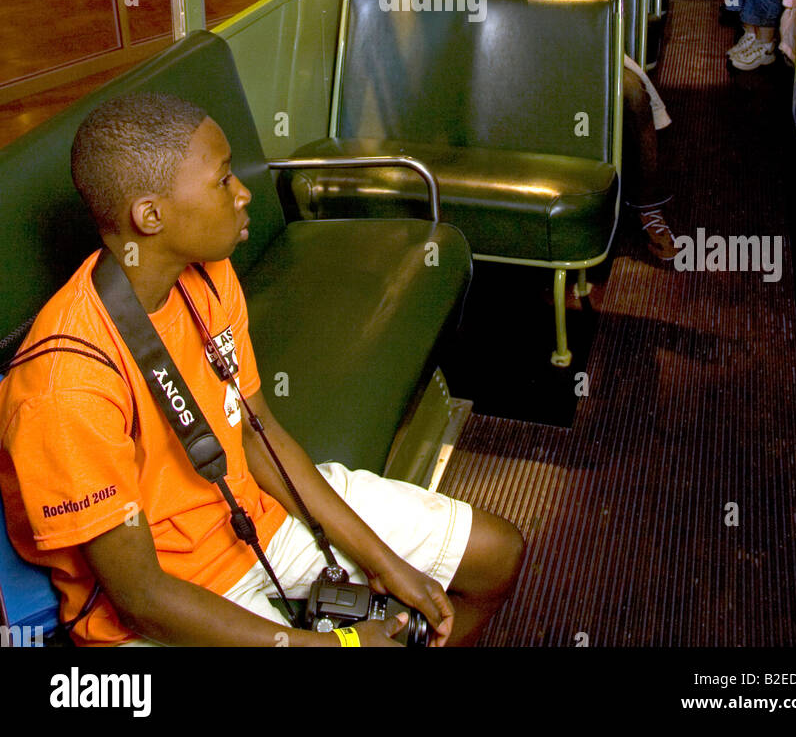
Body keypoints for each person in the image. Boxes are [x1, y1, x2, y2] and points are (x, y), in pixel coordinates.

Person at [0, 93, 523, 648]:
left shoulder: (206, 273)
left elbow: (257, 432)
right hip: (168, 597)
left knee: (498, 554)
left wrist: (385, 561)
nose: (243, 193)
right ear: (150, 215)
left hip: (248, 515)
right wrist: (338, 647)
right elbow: (142, 599)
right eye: (223, 180)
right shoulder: (65, 389)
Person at [481, 0, 677, 264]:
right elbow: (485, 11)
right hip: (526, 58)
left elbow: (609, 7)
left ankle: (649, 209)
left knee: (633, 95)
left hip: (585, 51)